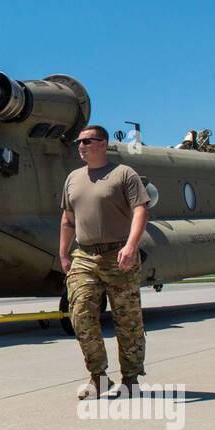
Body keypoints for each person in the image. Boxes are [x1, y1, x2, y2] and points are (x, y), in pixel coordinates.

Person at [59, 124, 150, 399]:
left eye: (87, 141)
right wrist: (63, 253)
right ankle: (98, 377)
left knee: (128, 320)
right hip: (84, 256)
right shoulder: (73, 178)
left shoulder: (124, 174)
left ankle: (131, 378)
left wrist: (131, 246)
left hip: (118, 254)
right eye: (79, 142)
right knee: (80, 314)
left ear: (103, 144)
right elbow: (67, 219)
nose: (81, 146)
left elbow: (141, 209)